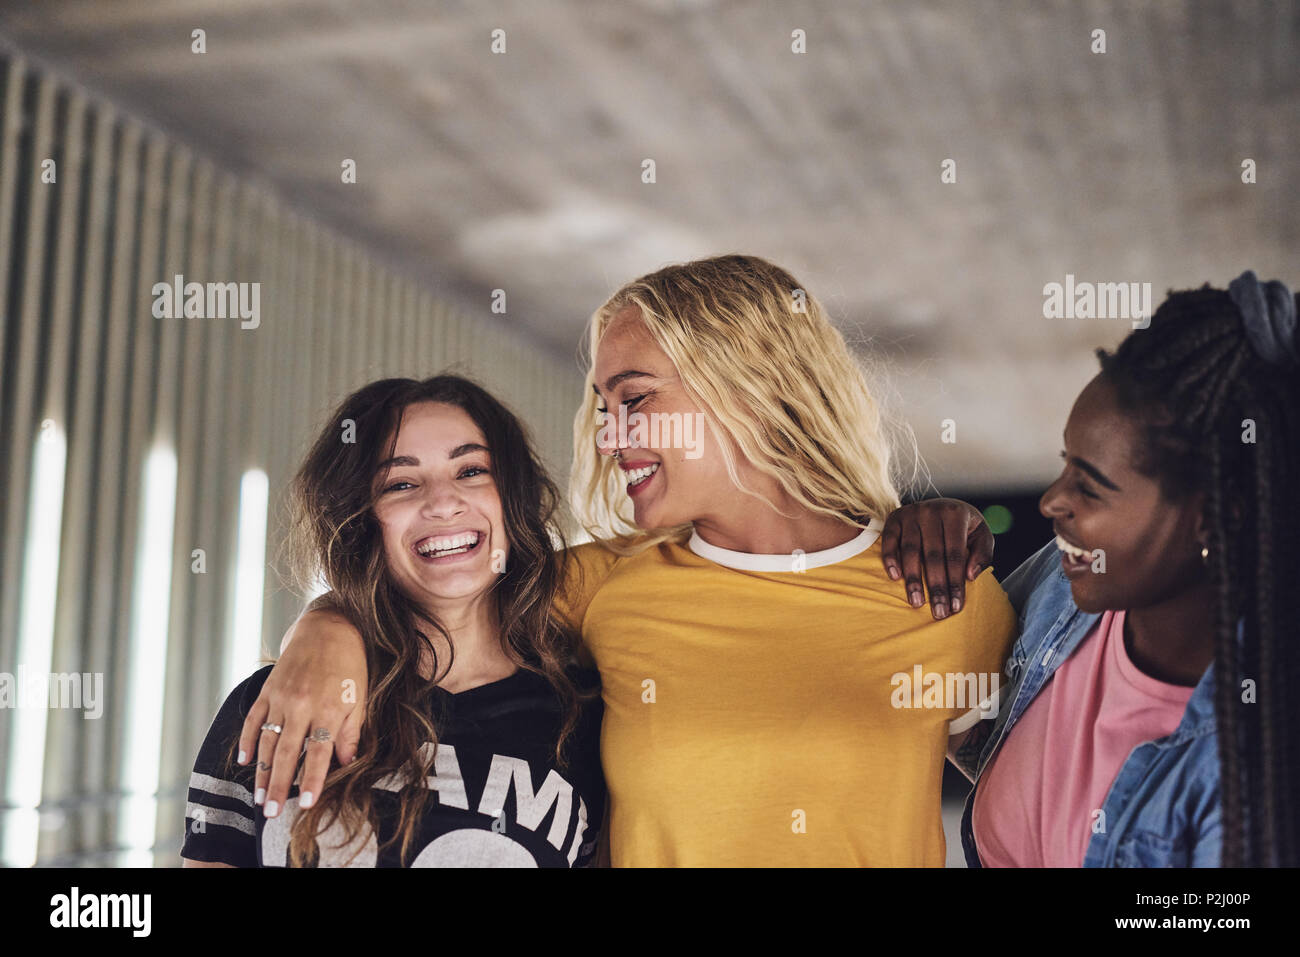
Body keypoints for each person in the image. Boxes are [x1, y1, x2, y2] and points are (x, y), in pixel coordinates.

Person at [239, 254, 1014, 866]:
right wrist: (325, 623)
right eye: (604, 409)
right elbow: (429, 590)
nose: (609, 439)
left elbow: (1033, 817)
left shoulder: (945, 597)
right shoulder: (599, 586)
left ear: (750, 388)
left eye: (635, 400)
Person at [938, 272, 1297, 867]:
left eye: (1091, 486)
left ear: (1215, 517)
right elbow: (979, 730)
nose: (1052, 501)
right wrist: (931, 545)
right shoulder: (1072, 579)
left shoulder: (1251, 769)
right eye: (1065, 465)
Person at [182, 375, 604, 867]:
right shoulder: (280, 699)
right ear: (363, 521)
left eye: (471, 471)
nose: (443, 502)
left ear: (513, 499)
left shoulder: (582, 716)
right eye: (401, 483)